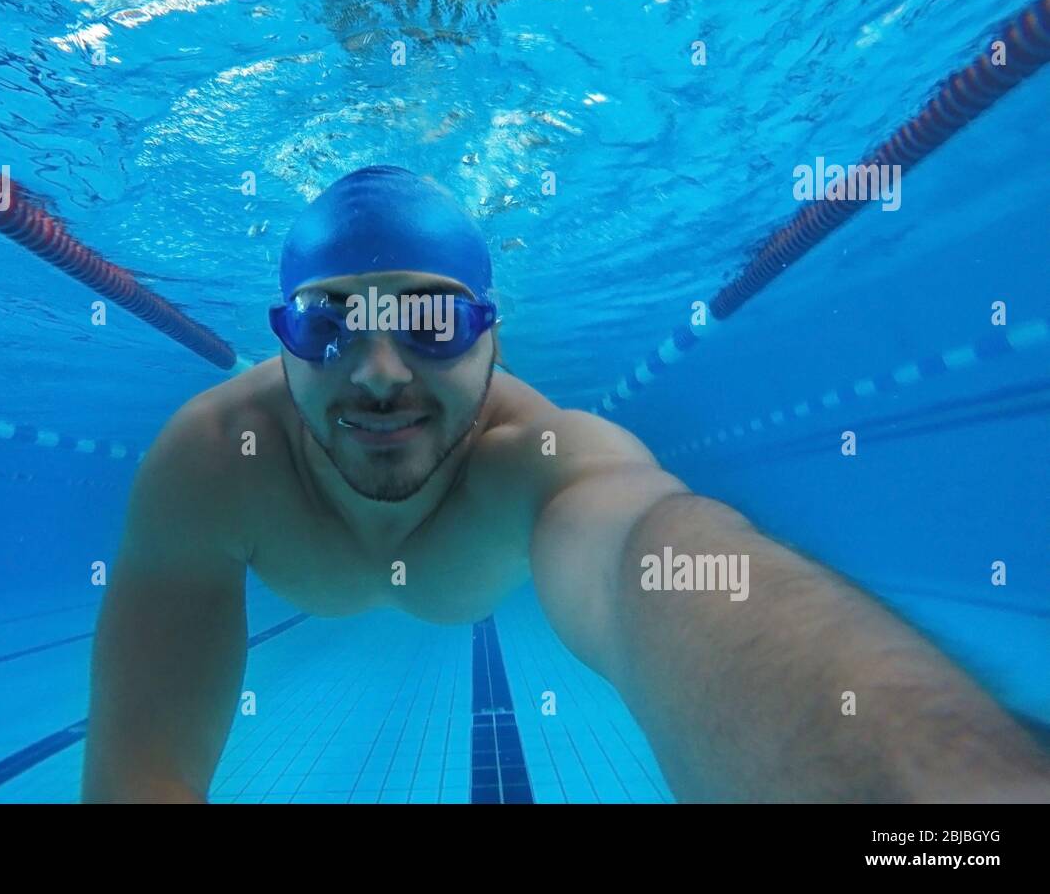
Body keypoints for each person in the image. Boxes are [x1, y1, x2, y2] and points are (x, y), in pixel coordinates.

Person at [81, 165, 1050, 804]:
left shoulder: (542, 458)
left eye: (429, 320)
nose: (377, 371)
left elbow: (651, 557)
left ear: (492, 339)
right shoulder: (210, 465)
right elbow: (137, 771)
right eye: (328, 325)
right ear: (280, 345)